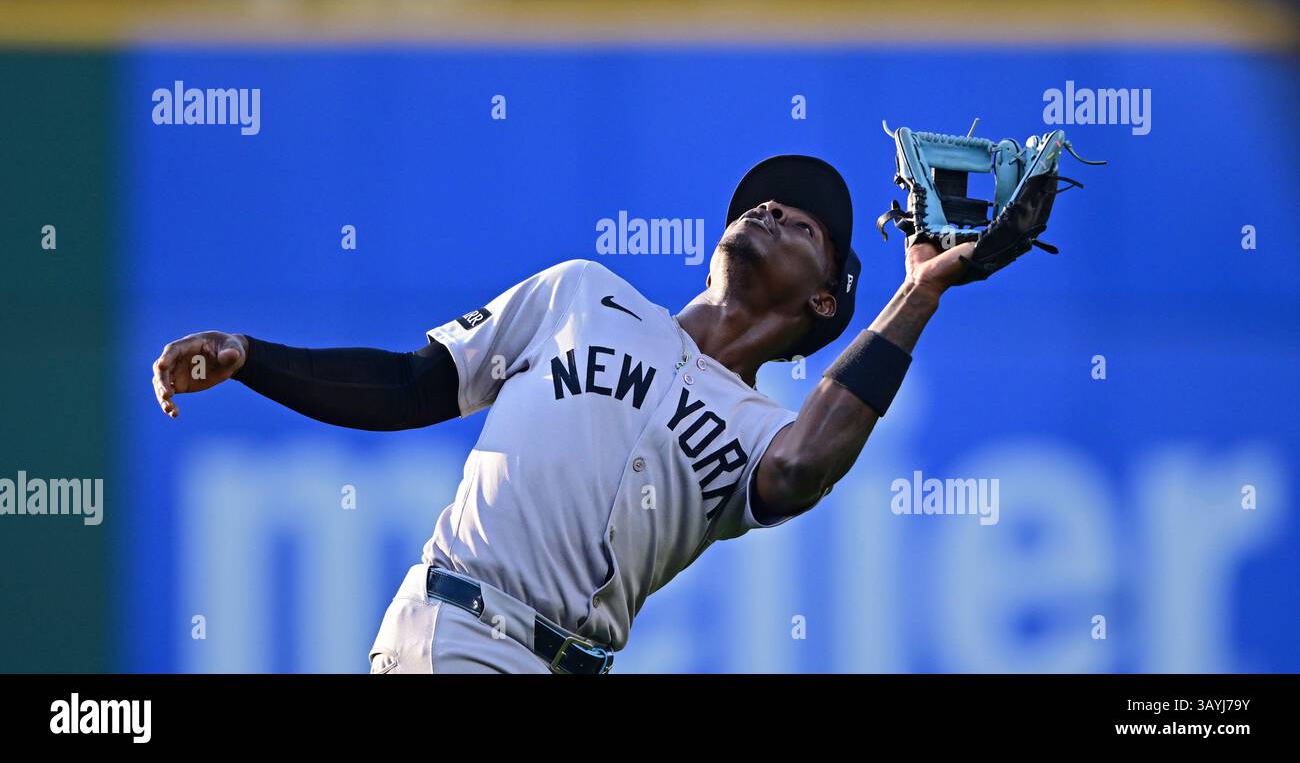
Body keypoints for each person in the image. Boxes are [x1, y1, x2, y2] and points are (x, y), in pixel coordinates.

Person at [151, 155, 977, 674]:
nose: (767, 211)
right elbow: (413, 384)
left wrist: (920, 292)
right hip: (462, 632)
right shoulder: (584, 293)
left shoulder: (760, 426)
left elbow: (802, 468)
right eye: (758, 204)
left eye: (801, 222)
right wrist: (253, 356)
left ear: (826, 297)